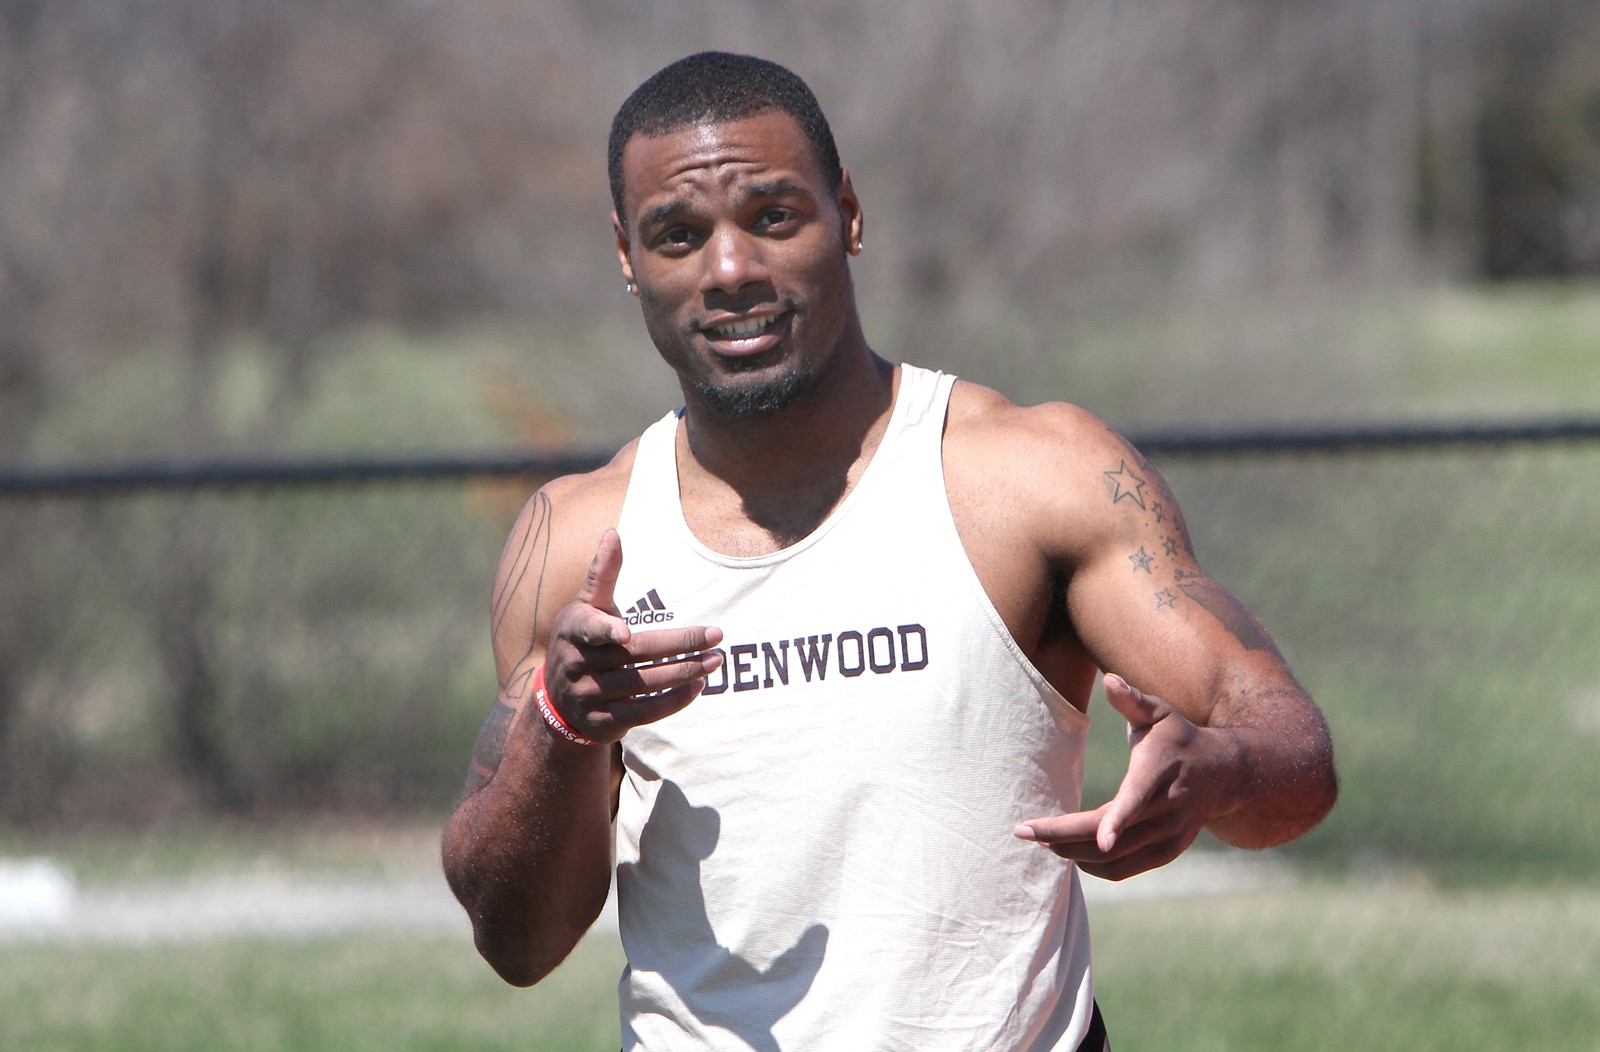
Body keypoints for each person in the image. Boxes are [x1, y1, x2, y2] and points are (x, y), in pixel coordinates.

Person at [441, 50, 1336, 1052]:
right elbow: (513, 938)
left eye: (774, 216)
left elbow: (1293, 757)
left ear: (849, 213)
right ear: (626, 256)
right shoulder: (577, 541)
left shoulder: (1027, 479)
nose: (730, 268)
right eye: (678, 235)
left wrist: (1215, 770)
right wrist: (562, 725)